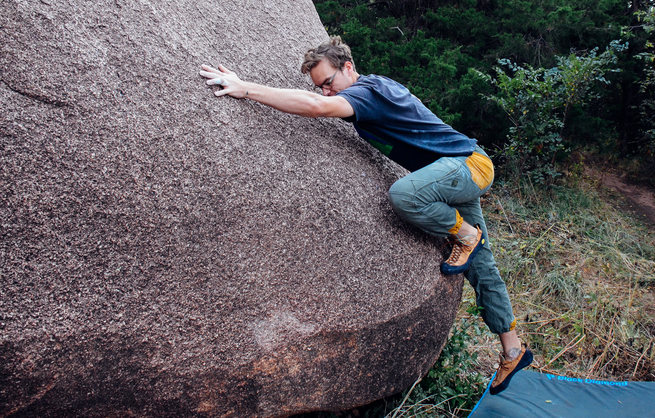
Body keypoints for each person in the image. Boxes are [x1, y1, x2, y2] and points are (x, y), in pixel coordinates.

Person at [199, 36, 531, 394]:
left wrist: (245, 88)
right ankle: (512, 349)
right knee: (481, 264)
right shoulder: (368, 94)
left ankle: (463, 234)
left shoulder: (369, 91)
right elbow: (325, 103)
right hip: (453, 173)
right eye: (320, 87)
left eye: (329, 83)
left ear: (349, 68)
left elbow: (317, 108)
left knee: (404, 194)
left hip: (468, 166)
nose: (327, 93)